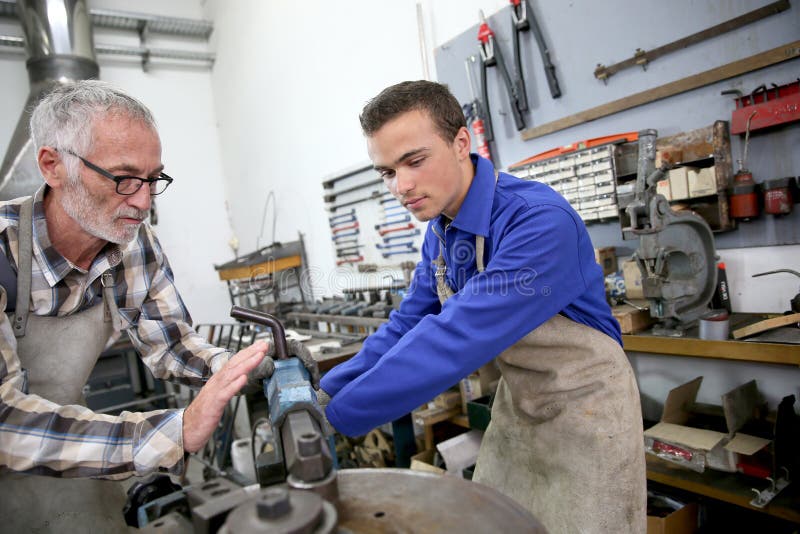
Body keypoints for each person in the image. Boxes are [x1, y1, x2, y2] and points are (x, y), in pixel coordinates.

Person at [320, 80, 646, 533]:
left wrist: (337, 418)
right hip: (519, 409)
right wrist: (325, 392)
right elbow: (408, 326)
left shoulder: (537, 221)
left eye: (414, 161)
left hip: (587, 418)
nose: (402, 185)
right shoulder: (440, 232)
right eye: (387, 172)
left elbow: (457, 336)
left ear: (460, 143)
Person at [0, 80, 315, 532]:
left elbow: (171, 343)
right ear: (53, 165)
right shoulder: (2, 254)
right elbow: (5, 420)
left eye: (153, 180)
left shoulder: (131, 243)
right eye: (124, 178)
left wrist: (241, 366)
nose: (144, 202)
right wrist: (172, 431)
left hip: (76, 454)